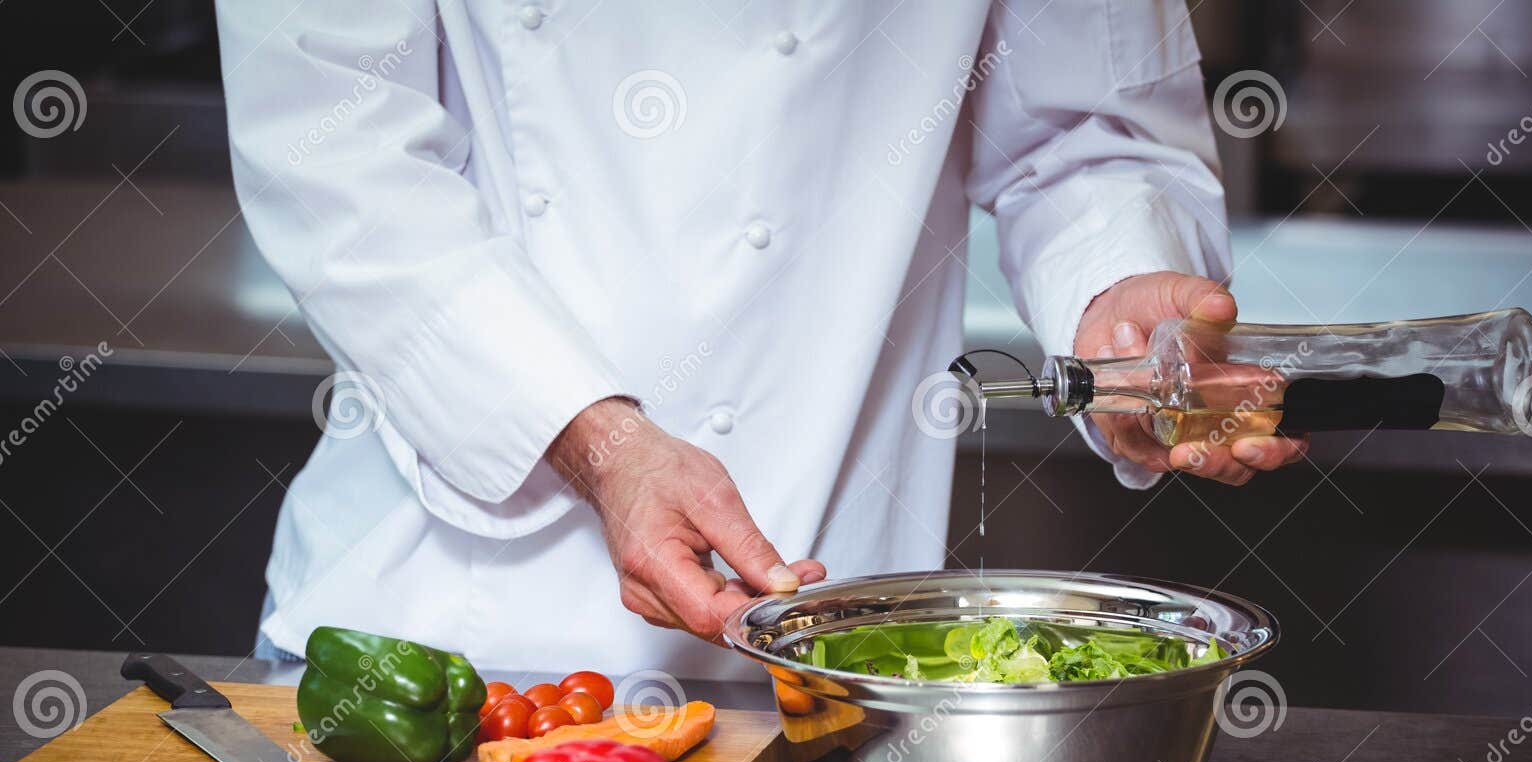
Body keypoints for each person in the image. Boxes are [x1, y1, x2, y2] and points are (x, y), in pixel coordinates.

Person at [217, 1, 1305, 679]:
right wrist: (598, 443)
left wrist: (1114, 297)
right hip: (436, 630)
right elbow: (336, 153)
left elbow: (1081, 130)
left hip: (840, 648)